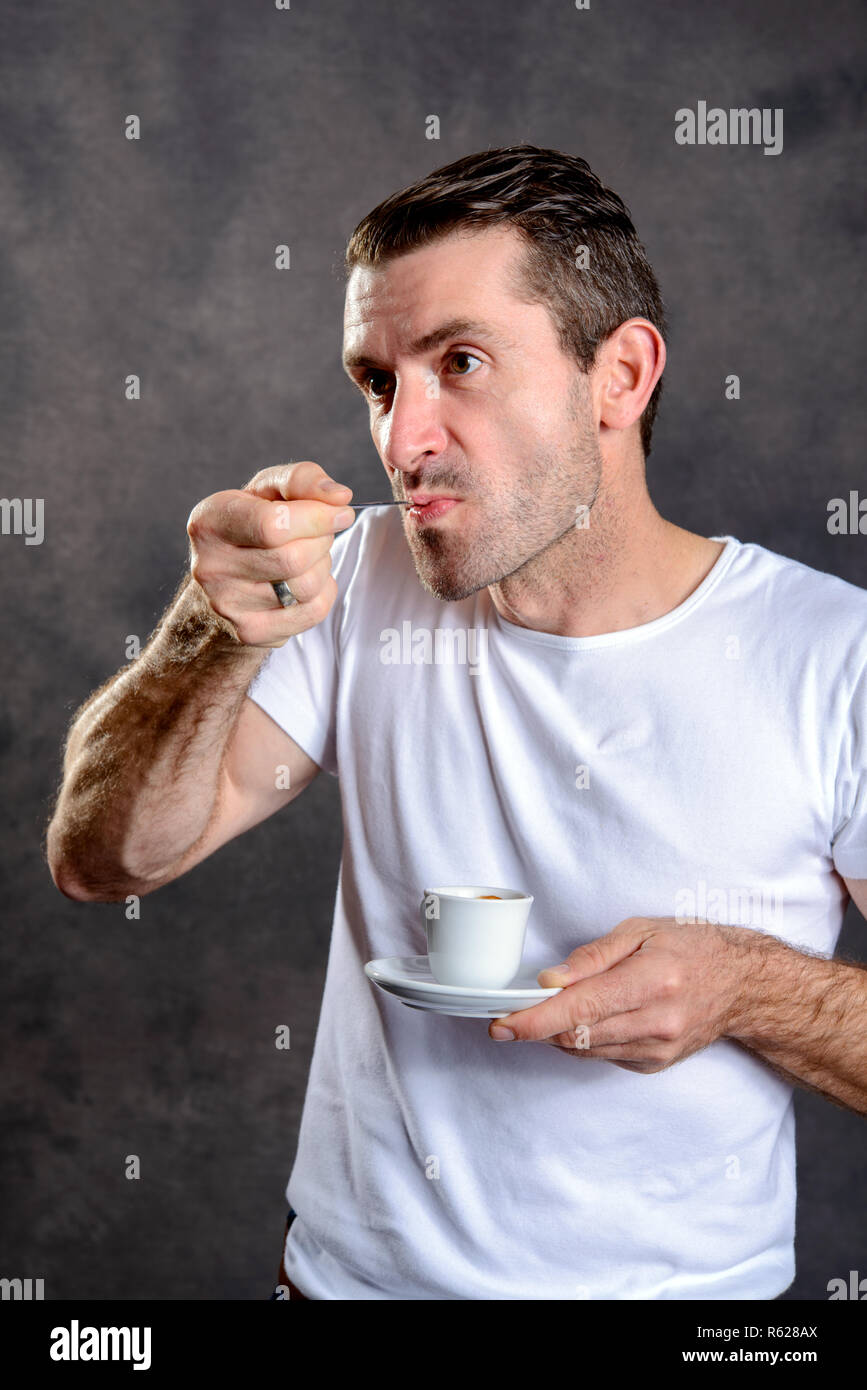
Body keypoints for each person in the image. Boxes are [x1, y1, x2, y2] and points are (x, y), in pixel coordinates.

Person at [47, 145, 867, 1301]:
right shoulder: (350, 580)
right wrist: (210, 627)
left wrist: (749, 986)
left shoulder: (834, 656)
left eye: (461, 363)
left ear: (619, 377)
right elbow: (105, 858)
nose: (404, 438)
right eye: (379, 381)